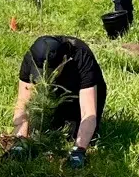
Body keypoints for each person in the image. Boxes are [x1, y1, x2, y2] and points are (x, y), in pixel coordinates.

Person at [12, 35, 107, 168]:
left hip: (80, 94)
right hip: (54, 96)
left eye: (51, 72)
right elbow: (23, 103)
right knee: (41, 133)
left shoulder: (81, 56)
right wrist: (19, 142)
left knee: (73, 136)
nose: (46, 77)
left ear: (63, 60)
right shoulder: (31, 57)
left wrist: (78, 151)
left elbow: (88, 112)